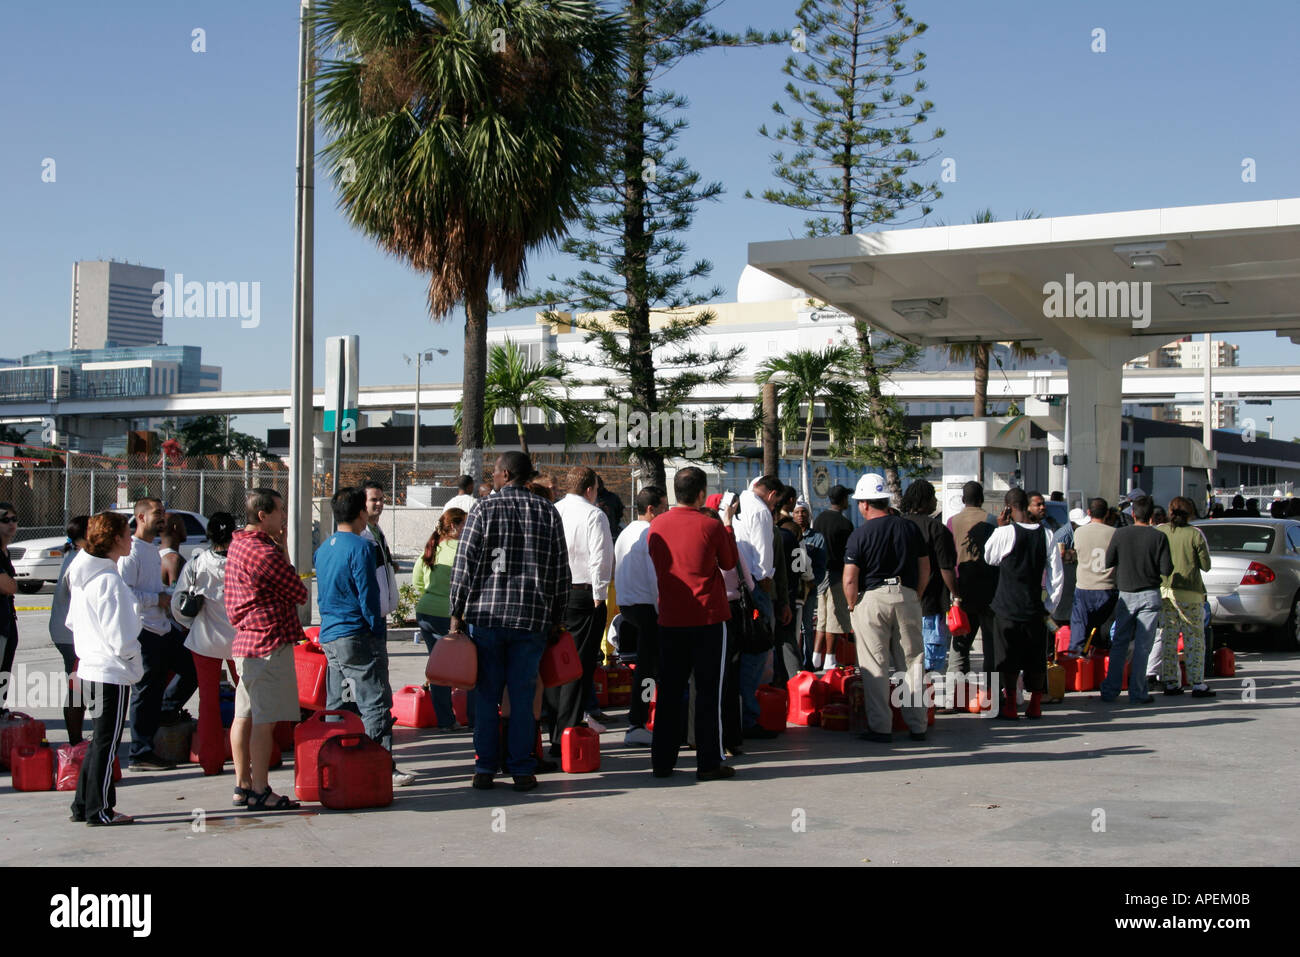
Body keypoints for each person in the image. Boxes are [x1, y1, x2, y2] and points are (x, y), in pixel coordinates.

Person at [449, 451, 570, 792]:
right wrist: (557, 619)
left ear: (503, 474)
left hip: (486, 618)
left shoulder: (483, 510)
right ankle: (521, 769)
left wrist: (456, 615)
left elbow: (465, 565)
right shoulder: (547, 511)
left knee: (487, 695)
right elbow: (560, 572)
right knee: (522, 697)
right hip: (531, 619)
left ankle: (485, 767)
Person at [316, 486, 415, 788]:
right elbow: (367, 595)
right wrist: (375, 630)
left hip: (330, 634)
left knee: (339, 704)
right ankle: (379, 766)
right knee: (374, 702)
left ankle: (336, 762)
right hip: (357, 634)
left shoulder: (325, 548)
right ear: (361, 512)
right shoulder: (361, 548)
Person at [646, 466, 739, 780]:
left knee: (670, 691)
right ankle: (709, 761)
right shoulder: (710, 526)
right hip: (708, 617)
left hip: (670, 618)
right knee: (709, 692)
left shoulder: (656, 525)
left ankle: (662, 761)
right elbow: (728, 563)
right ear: (701, 494)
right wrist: (726, 526)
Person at [225, 488, 309, 810]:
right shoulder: (264, 553)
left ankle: (242, 784)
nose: (283, 517)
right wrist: (284, 549)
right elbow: (298, 591)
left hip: (246, 643)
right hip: (268, 643)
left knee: (243, 716)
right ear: (263, 516)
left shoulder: (239, 544)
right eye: (279, 511)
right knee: (265, 720)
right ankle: (260, 789)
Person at [67, 512, 143, 826]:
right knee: (106, 743)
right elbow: (122, 637)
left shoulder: (82, 574)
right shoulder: (109, 581)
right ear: (114, 539)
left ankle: (83, 804)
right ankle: (99, 810)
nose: (131, 539)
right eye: (128, 534)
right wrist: (132, 660)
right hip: (110, 672)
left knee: (99, 740)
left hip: (90, 667)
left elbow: (72, 621)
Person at [842, 473, 929, 742]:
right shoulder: (909, 528)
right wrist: (915, 595)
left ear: (866, 504)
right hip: (906, 594)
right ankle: (918, 724)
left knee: (874, 664)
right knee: (912, 662)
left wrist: (852, 604)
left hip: (873, 598)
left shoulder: (860, 534)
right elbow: (925, 568)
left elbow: (849, 577)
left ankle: (881, 727)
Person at [119, 498, 195, 770]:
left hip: (162, 628)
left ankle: (165, 711)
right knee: (145, 691)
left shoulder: (151, 550)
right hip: (143, 632)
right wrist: (156, 599)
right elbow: (124, 593)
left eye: (163, 513)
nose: (162, 518)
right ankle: (140, 752)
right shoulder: (131, 553)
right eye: (156, 514)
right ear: (140, 517)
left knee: (191, 667)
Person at [171, 512, 239, 779]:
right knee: (249, 702)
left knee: (208, 703)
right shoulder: (243, 563)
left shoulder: (196, 564)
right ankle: (259, 755)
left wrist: (193, 626)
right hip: (240, 642)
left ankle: (210, 762)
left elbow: (179, 607)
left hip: (205, 641)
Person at [550, 466, 615, 741]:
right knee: (578, 664)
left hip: (554, 592)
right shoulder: (594, 514)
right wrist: (599, 595)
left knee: (555, 662)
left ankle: (556, 726)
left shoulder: (554, 510)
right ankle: (568, 729)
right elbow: (600, 557)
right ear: (590, 489)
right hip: (583, 593)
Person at [984, 488, 1059, 720]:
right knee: (1035, 657)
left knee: (1007, 657)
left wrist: (999, 529)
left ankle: (1010, 705)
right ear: (1027, 506)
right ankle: (1035, 704)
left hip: (1006, 606)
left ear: (1007, 507)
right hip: (1034, 607)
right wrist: (1050, 606)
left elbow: (990, 558)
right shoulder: (1047, 534)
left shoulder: (1005, 533)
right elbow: (1057, 574)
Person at [1101, 496, 1172, 705]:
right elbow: (1167, 569)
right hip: (1150, 593)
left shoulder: (1120, 534)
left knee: (1120, 643)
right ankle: (1138, 691)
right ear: (1152, 516)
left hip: (1126, 593)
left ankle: (1111, 689)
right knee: (1143, 646)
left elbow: (1108, 561)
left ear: (1133, 514)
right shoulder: (1159, 537)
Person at [614, 486, 667, 746]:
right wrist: (662, 609)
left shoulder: (626, 532)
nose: (666, 511)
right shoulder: (648, 533)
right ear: (651, 509)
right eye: (664, 506)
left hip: (628, 606)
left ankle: (640, 719)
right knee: (648, 670)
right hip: (647, 607)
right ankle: (639, 721)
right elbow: (655, 576)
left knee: (645, 668)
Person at [734, 476, 784, 735]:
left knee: (740, 655)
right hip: (755, 586)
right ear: (772, 495)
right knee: (757, 649)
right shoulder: (762, 511)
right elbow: (764, 559)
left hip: (735, 585)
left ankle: (739, 713)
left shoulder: (737, 502)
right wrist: (765, 585)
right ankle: (749, 717)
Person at [412, 507, 468, 730]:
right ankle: (460, 717)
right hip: (447, 614)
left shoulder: (433, 546)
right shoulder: (460, 549)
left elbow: (417, 579)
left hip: (426, 610)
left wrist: (431, 592)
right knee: (458, 669)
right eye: (465, 523)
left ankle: (445, 718)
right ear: (454, 526)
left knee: (436, 668)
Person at [1158, 496, 1214, 697]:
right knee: (1194, 638)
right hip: (1191, 593)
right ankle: (1197, 683)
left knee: (1169, 637)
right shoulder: (1195, 534)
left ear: (1170, 511)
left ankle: (1171, 682)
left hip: (1165, 591)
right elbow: (1206, 566)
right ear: (1190, 513)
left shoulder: (1160, 531)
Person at [900, 481, 958, 675]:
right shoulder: (937, 529)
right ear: (924, 501)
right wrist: (956, 596)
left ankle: (909, 702)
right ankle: (926, 704)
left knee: (907, 660)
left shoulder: (899, 526)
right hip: (931, 603)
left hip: (901, 603)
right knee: (929, 662)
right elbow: (946, 568)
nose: (936, 501)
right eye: (933, 496)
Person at [947, 482, 998, 699]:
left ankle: (953, 695)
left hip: (961, 589)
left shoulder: (951, 522)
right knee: (991, 646)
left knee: (960, 643)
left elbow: (948, 556)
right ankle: (992, 695)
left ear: (962, 499)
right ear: (981, 499)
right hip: (988, 589)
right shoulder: (992, 520)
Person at [48, 515, 90, 744]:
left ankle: (76, 740)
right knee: (77, 689)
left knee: (79, 688)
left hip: (68, 633)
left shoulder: (76, 555)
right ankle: (75, 742)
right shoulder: (78, 561)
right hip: (71, 636)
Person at [1064, 498, 1117, 656]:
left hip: (1084, 587)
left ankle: (1077, 664)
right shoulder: (1114, 533)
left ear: (1089, 512)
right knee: (1103, 633)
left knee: (1080, 628)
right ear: (1107, 513)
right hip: (1108, 588)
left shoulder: (1080, 532)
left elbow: (1075, 553)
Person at [812, 484, 855, 671]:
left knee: (821, 616)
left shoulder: (819, 519)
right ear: (843, 500)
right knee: (835, 617)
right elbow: (849, 554)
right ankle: (830, 658)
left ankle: (815, 656)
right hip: (837, 574)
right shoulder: (845, 524)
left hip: (820, 573)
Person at [790, 501, 826, 671]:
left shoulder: (817, 538)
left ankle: (808, 661)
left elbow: (820, 565)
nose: (800, 515)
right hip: (792, 590)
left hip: (809, 590)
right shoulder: (788, 534)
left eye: (803, 512)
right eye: (797, 512)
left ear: (809, 515)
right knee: (794, 628)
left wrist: (812, 584)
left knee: (807, 627)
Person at [361, 481, 399, 637]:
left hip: (381, 610)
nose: (379, 504)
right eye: (374, 500)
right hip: (369, 612)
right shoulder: (362, 533)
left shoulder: (376, 529)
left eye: (381, 499)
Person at [159, 513, 188, 588]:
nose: (185, 529)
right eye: (183, 525)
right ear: (175, 527)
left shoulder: (155, 555)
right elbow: (175, 593)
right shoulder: (174, 560)